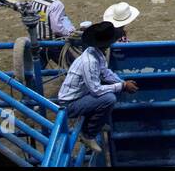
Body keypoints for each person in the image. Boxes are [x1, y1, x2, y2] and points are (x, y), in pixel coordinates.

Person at [56, 21, 138, 152]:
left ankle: (97, 123)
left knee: (111, 89)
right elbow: (96, 90)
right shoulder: (90, 61)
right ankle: (88, 134)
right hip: (70, 104)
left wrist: (121, 82)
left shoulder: (94, 53)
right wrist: (122, 85)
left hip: (80, 95)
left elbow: (105, 73)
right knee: (109, 98)